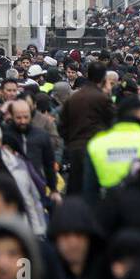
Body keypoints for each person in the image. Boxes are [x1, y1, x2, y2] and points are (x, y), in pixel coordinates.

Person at [59, 62, 115, 196]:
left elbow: (62, 126)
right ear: (103, 79)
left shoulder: (73, 98)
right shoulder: (103, 99)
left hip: (75, 148)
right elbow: (112, 124)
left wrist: (70, 142)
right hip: (97, 149)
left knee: (75, 188)